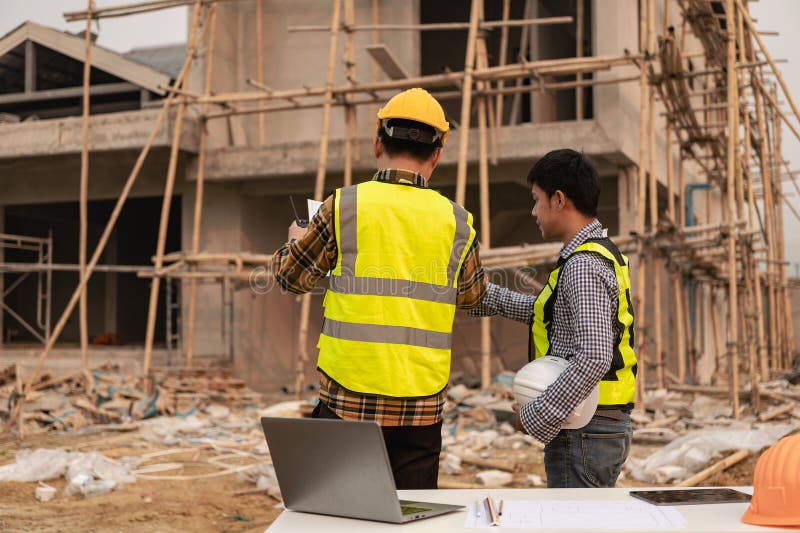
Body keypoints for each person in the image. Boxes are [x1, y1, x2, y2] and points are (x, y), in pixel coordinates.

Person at [271, 88, 487, 490]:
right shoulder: (458, 221)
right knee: (410, 517)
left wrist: (294, 239)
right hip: (421, 407)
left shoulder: (343, 206)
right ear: (437, 154)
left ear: (377, 143)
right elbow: (473, 297)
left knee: (340, 515)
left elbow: (290, 278)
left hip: (347, 399)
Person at [470, 149, 637, 488]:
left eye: (536, 200)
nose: (533, 211)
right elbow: (547, 314)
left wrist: (536, 416)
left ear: (559, 199)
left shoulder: (583, 266)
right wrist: (480, 297)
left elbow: (594, 355)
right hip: (594, 428)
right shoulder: (594, 255)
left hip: (584, 430)